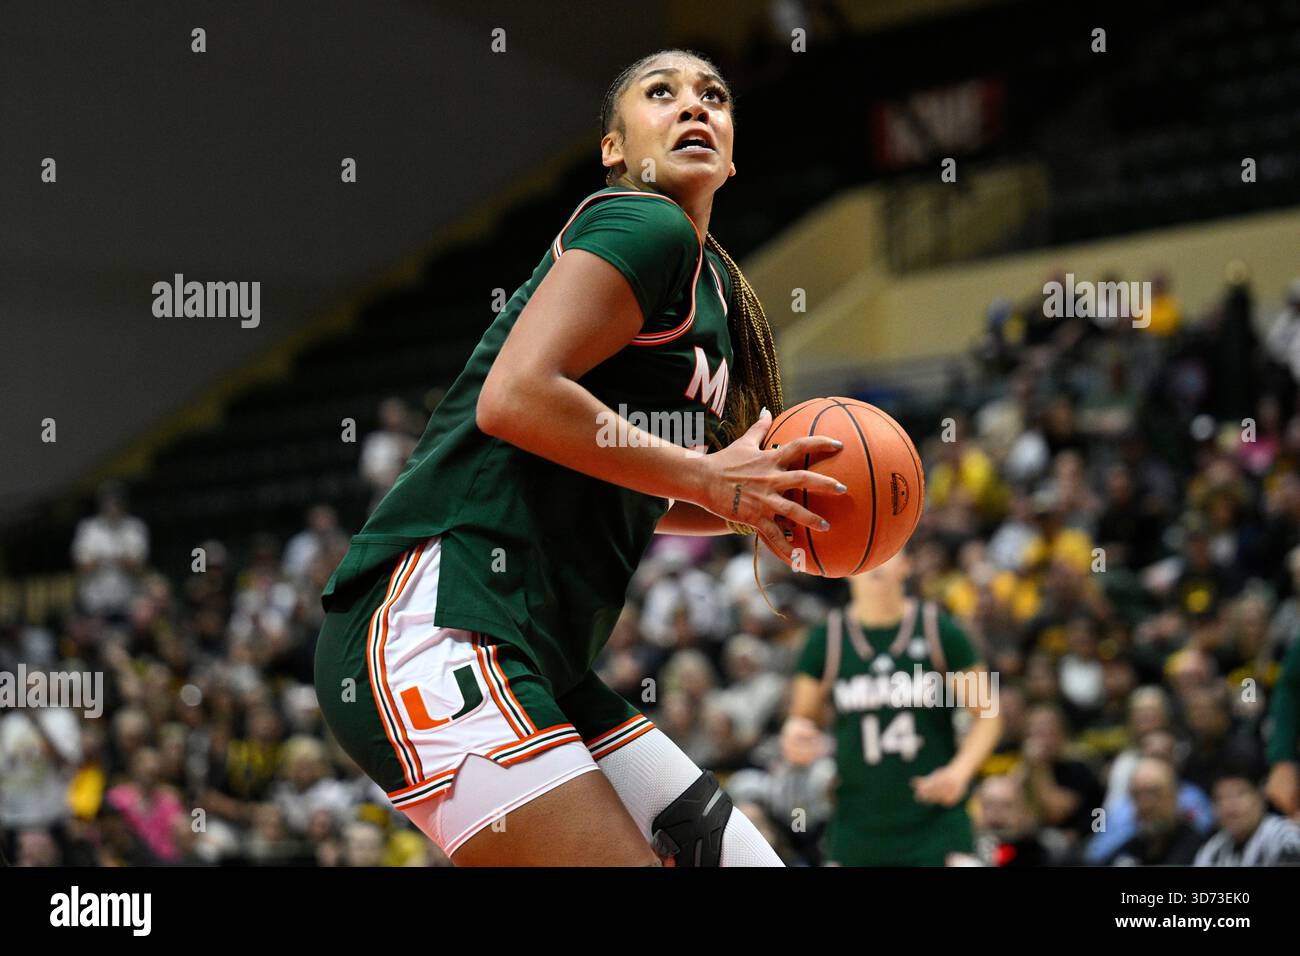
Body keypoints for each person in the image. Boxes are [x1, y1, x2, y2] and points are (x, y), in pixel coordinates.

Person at [315, 49, 843, 866]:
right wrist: (710, 477)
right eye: (661, 93)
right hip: (437, 620)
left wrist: (745, 505)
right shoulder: (643, 223)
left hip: (534, 653)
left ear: (733, 154)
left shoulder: (713, 290)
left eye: (713, 96)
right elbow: (514, 397)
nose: (693, 106)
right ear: (613, 148)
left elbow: (624, 478)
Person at [782, 549, 1003, 865]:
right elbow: (801, 719)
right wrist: (796, 736)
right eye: (863, 550)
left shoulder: (939, 629)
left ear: (907, 565)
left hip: (937, 824)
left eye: (886, 550)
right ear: (844, 569)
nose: (874, 561)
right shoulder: (825, 640)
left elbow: (989, 714)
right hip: (857, 828)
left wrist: (959, 772)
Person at [1195, 757, 1300, 866]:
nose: (1230, 808)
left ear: (1260, 795)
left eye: (1239, 794)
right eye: (1221, 798)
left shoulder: (1286, 839)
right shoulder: (1212, 851)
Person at [1103, 758, 1206, 866]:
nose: (1145, 804)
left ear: (1174, 794)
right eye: (1137, 795)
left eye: (1153, 793)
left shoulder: (1198, 850)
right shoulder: (1130, 849)